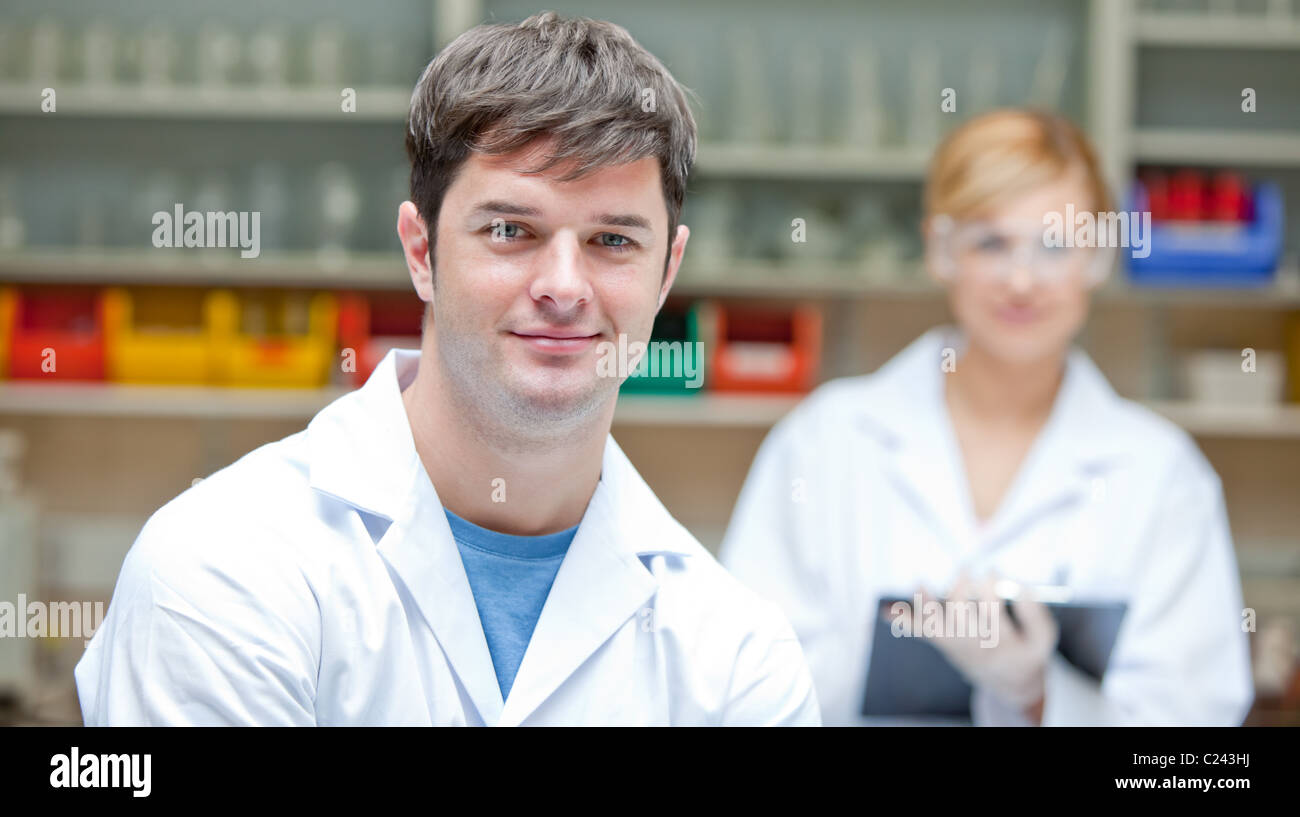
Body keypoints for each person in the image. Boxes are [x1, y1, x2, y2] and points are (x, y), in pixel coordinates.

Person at [75, 12, 819, 727]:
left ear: (667, 271)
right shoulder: (223, 569)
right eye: (510, 230)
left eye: (614, 241)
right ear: (421, 252)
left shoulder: (737, 658)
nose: (564, 287)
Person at [720, 109, 1253, 726]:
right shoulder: (822, 442)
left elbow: (1195, 737)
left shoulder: (1163, 475)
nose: (1021, 281)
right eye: (991, 243)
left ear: (1099, 256)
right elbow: (742, 684)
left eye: (1056, 245)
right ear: (940, 250)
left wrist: (1038, 696)